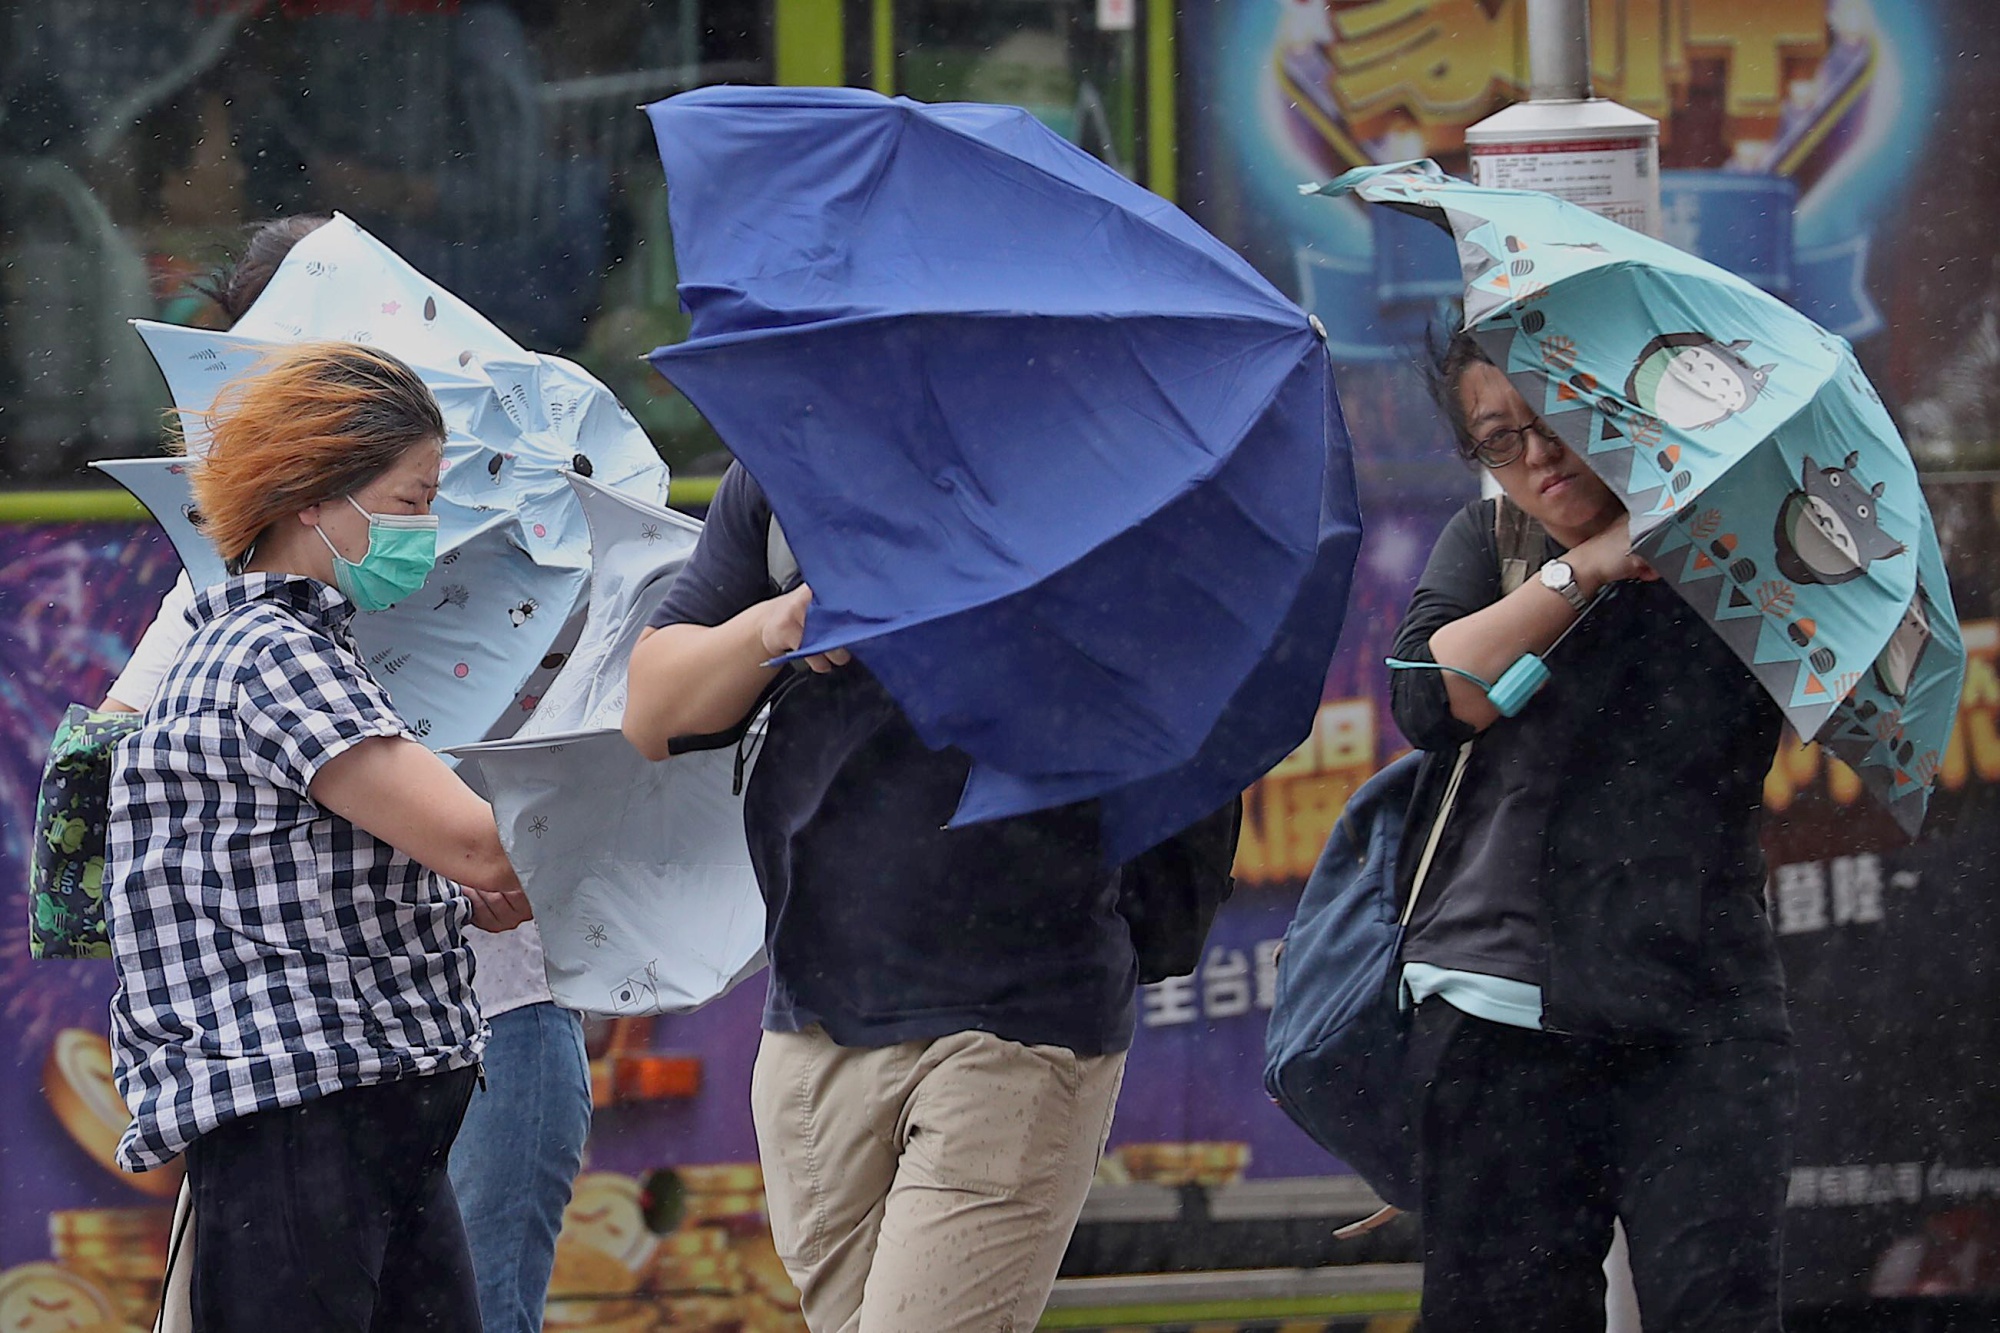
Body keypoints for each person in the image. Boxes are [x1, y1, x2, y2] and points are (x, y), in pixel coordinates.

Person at [101, 216, 592, 1333]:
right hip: (305, 1121)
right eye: (413, 501)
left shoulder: (297, 644)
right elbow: (471, 841)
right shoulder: (274, 652)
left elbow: (387, 853)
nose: (426, 530)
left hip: (366, 1112)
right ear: (320, 497)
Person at [623, 462, 1133, 1333]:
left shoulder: (1076, 454)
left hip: (1013, 1017)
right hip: (813, 1021)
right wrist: (775, 624)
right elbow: (652, 710)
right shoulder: (784, 467)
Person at [1388, 331, 1794, 1332]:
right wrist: (1587, 571)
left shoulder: (1735, 543)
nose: (1539, 456)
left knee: (1718, 1309)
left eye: (1557, 418)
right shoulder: (1490, 545)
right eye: (1499, 438)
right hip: (1499, 1013)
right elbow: (1430, 701)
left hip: (1694, 1007)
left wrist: (1678, 544)